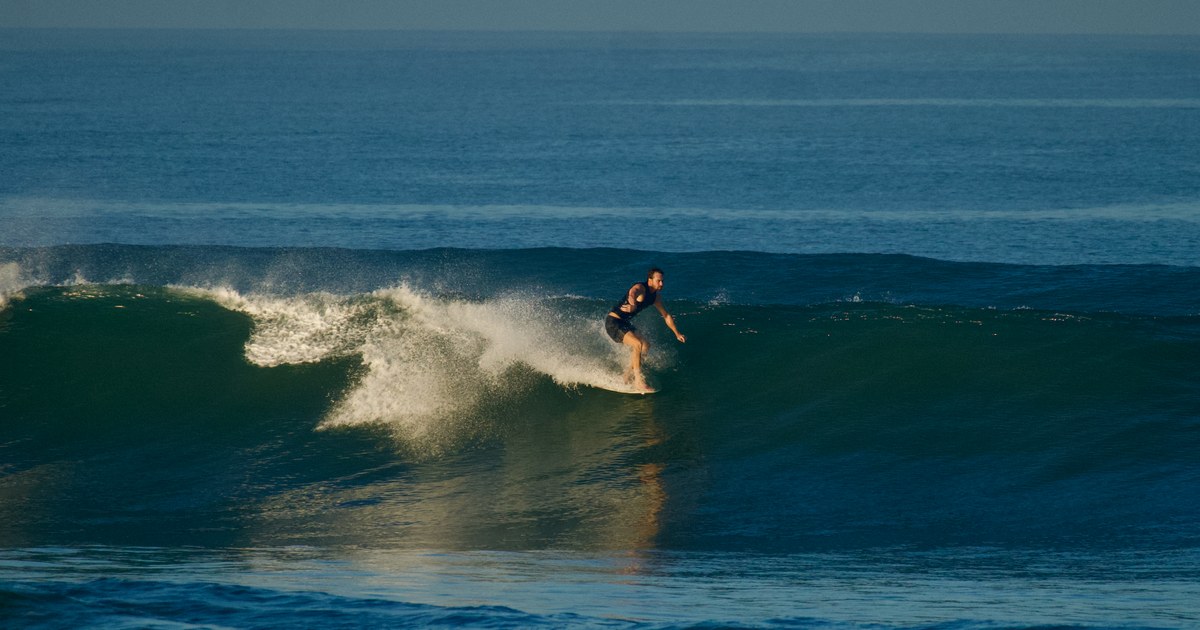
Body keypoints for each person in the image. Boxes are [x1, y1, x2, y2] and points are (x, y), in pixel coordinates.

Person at [605, 267, 686, 391]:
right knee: (637, 344)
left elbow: (666, 315)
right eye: (658, 281)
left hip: (624, 323)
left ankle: (626, 376)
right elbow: (632, 293)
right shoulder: (641, 288)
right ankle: (638, 381)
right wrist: (632, 304)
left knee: (646, 345)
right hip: (613, 322)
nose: (661, 284)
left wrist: (677, 333)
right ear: (650, 280)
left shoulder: (655, 297)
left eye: (662, 281)